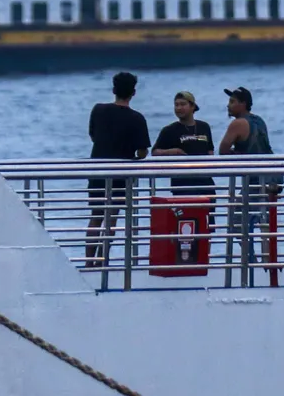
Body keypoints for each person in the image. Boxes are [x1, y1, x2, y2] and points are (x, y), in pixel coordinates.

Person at [86, 72, 151, 267]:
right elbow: (142, 152)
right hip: (120, 176)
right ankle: (101, 261)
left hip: (98, 171)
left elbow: (93, 136)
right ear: (133, 93)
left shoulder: (98, 110)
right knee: (111, 219)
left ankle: (88, 261)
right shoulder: (137, 119)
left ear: (114, 90)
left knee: (96, 217)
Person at [217, 87, 275, 275]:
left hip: (254, 180)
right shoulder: (259, 121)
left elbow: (223, 149)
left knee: (236, 222)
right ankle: (267, 262)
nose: (228, 105)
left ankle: (252, 262)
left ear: (243, 104)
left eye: (233, 101)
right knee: (262, 221)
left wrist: (237, 155)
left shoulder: (238, 124)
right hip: (270, 178)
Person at [152, 91, 215, 191]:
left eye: (183, 104)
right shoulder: (169, 130)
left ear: (192, 106)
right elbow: (154, 152)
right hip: (182, 184)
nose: (179, 108)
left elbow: (210, 150)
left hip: (205, 182)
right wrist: (171, 152)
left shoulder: (204, 127)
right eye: (176, 105)